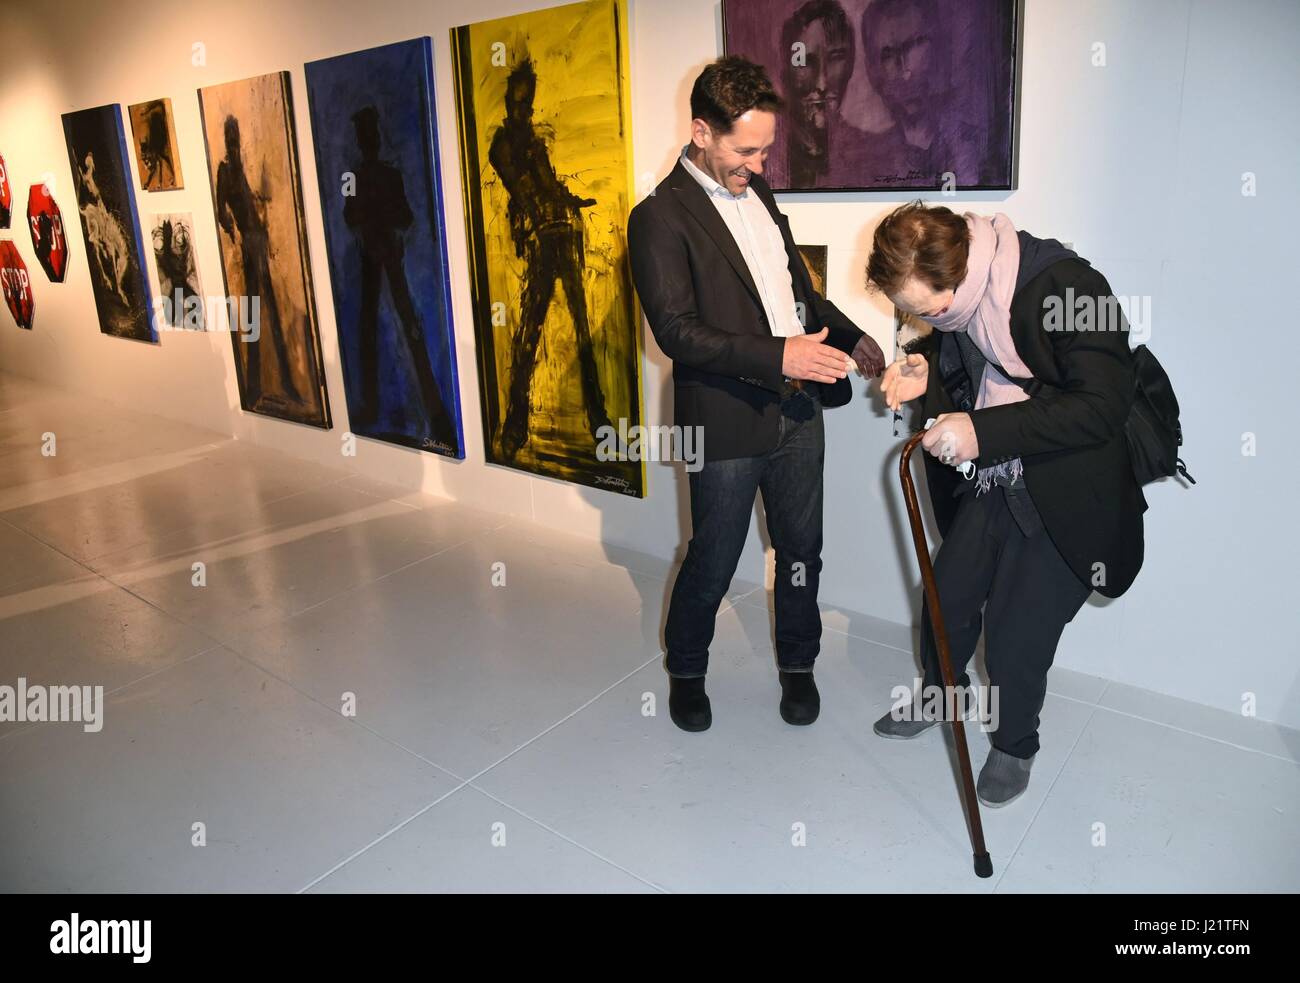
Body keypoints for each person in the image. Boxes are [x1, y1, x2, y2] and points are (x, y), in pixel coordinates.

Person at [627, 56, 885, 733]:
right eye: (747, 149)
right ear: (702, 132)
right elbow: (679, 333)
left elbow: (794, 293)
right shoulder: (657, 218)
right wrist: (781, 354)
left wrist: (852, 334)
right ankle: (686, 668)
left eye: (767, 147)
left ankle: (797, 667)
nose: (762, 163)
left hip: (800, 409)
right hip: (725, 416)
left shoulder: (761, 195)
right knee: (714, 552)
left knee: (801, 549)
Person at [868, 201, 1146, 806]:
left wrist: (982, 432)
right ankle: (942, 697)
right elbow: (968, 367)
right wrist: (924, 380)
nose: (927, 320)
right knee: (947, 598)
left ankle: (1015, 744)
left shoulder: (1069, 285)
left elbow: (1103, 404)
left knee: (1018, 631)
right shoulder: (963, 304)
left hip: (1069, 484)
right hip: (998, 476)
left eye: (928, 308)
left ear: (958, 271)